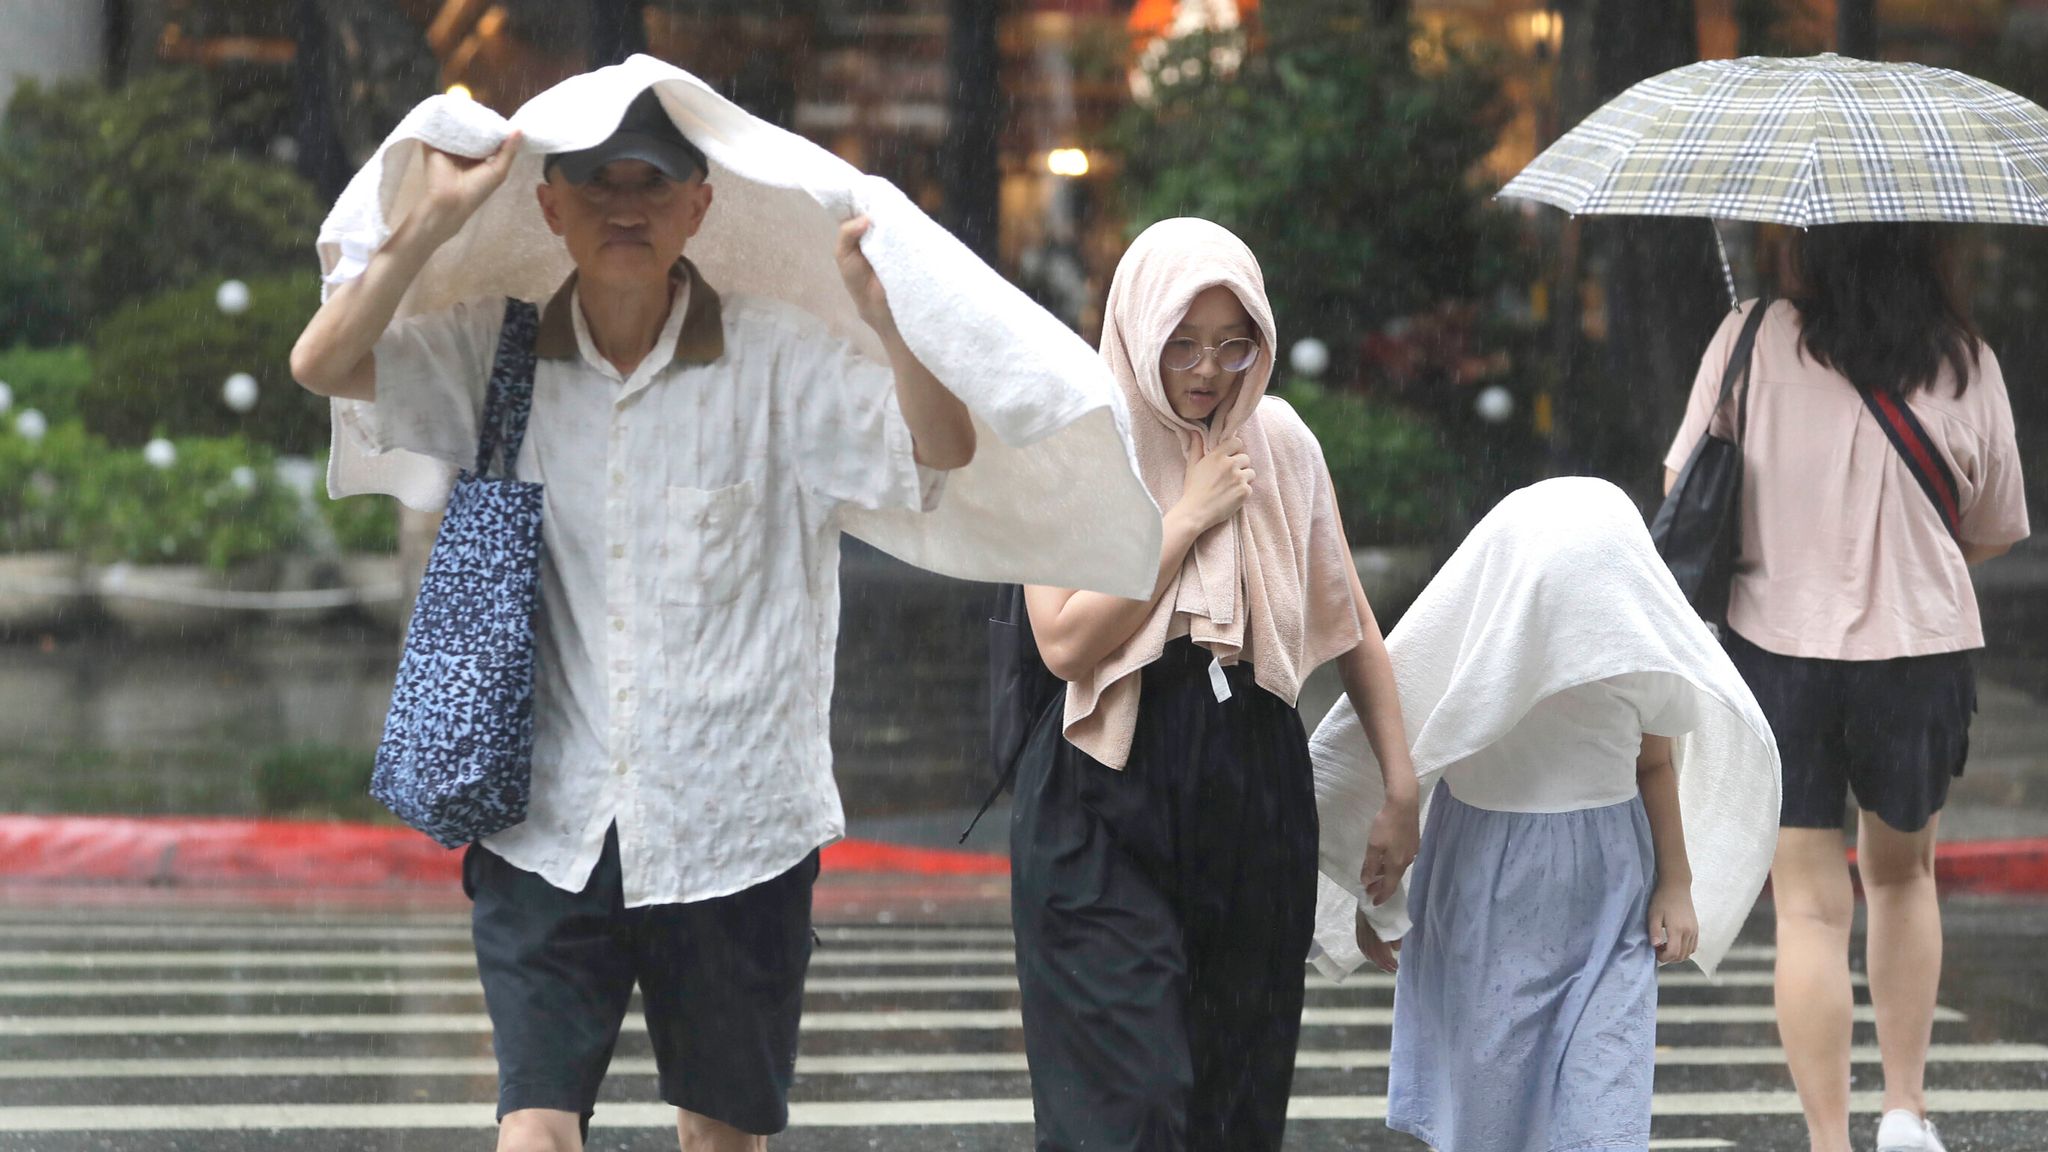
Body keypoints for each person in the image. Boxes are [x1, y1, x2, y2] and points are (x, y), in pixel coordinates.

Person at [290, 91, 975, 1152]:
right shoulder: (493, 357)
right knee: (534, 1125)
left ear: (697, 207)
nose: (624, 205)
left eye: (649, 182)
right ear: (550, 208)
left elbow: (939, 450)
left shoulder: (779, 360)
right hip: (542, 818)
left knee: (717, 1134)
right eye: (595, 182)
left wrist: (888, 322)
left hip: (736, 824)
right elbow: (323, 365)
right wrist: (426, 222)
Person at [1010, 217, 1419, 1152]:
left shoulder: (1278, 440)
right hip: (1103, 779)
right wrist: (1185, 520)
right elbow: (1066, 643)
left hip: (1251, 783)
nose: (1207, 370)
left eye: (1234, 344)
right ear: (1137, 331)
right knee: (1128, 1104)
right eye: (1183, 343)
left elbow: (1352, 622)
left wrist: (1401, 787)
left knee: (1235, 1099)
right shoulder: (1074, 436)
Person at [1664, 223, 2029, 1152]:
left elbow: (1681, 487)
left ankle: (1830, 1141)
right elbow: (1991, 526)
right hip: (1918, 653)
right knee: (1903, 881)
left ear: (1809, 243)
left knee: (1810, 910)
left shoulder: (1750, 337)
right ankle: (1905, 1114)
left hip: (1778, 654)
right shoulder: (1964, 359)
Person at [1314, 477, 1781, 1152]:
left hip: (1610, 902)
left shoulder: (1639, 656)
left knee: (1606, 1111)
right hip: (1480, 900)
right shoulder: (1478, 658)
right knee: (1488, 1116)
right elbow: (1408, 766)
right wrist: (1375, 896)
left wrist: (1675, 882)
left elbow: (1655, 764)